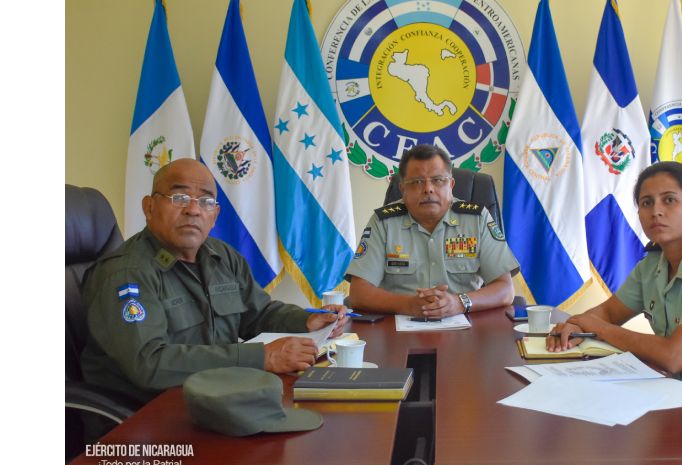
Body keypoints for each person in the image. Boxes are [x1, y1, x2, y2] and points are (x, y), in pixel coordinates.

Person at [81, 159, 348, 405]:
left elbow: (256, 313)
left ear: (215, 215)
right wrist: (262, 357)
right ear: (149, 207)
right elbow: (148, 364)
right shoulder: (127, 274)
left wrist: (306, 320)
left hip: (215, 398)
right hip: (147, 418)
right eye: (179, 197)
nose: (193, 210)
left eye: (206, 201)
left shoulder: (222, 257)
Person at [547, 161, 682, 447]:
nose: (656, 210)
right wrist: (574, 325)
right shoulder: (653, 264)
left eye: (669, 200)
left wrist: (596, 326)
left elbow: (675, 356)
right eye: (646, 203)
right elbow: (609, 312)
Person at [346, 144, 519, 318]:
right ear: (402, 189)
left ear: (451, 185)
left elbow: (505, 289)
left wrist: (459, 302)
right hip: (397, 327)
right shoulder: (383, 222)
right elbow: (359, 293)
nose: (428, 189)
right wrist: (408, 305)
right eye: (417, 182)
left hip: (466, 327)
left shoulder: (477, 218)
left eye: (437, 180)